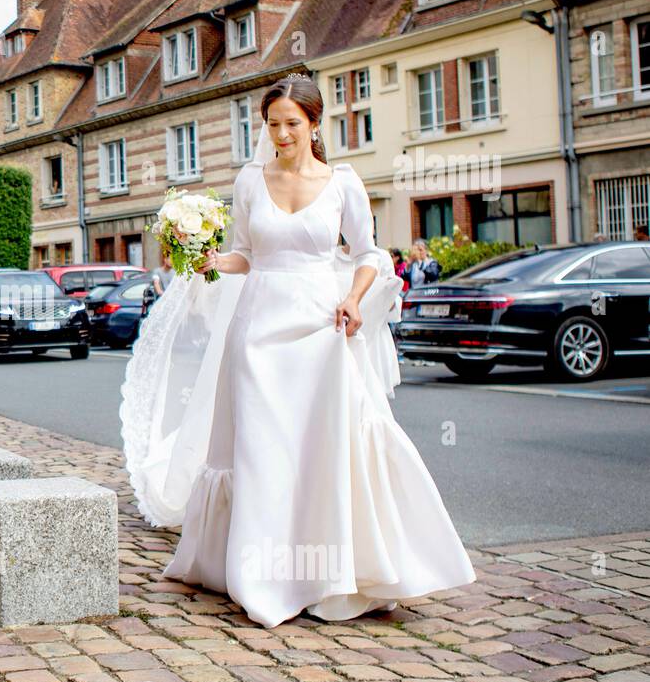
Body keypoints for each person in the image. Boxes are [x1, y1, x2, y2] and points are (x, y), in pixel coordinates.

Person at [120, 73, 475, 628]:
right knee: (261, 447)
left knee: (319, 447)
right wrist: (211, 262)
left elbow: (367, 254)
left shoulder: (344, 184)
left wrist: (355, 300)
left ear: (314, 124)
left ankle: (329, 568)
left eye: (291, 123)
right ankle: (258, 571)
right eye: (272, 124)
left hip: (321, 327)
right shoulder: (248, 181)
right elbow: (245, 253)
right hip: (256, 328)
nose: (281, 134)